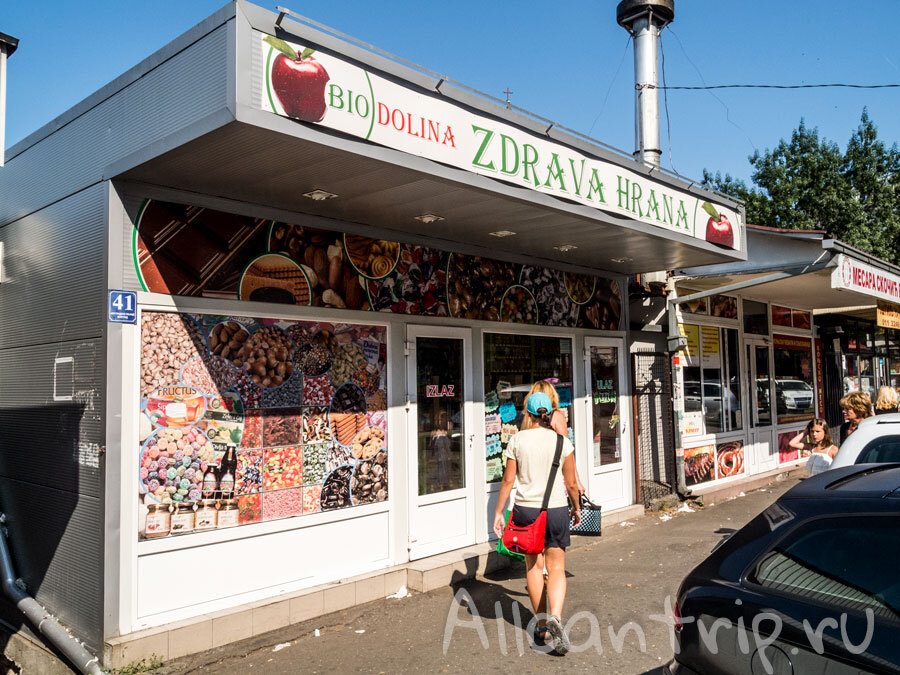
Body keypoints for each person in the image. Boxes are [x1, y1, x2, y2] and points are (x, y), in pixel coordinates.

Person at [493, 391, 581, 655]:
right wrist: (576, 508)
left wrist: (499, 512)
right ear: (549, 413)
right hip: (555, 510)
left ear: (528, 413)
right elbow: (571, 483)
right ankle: (556, 616)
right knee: (556, 568)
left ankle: (542, 625)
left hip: (525, 512)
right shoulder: (562, 442)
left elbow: (508, 480)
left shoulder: (517, 440)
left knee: (533, 568)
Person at [520, 380, 586, 494]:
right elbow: (566, 452)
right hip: (553, 478)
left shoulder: (527, 418)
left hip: (531, 480)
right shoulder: (556, 416)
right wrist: (577, 482)